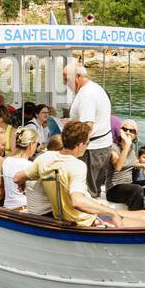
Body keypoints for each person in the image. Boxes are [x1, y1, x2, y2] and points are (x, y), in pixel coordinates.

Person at [14, 122, 145, 229]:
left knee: (144, 214)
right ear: (80, 144)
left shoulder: (45, 158)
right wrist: (112, 213)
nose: (87, 146)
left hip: (78, 213)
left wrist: (22, 181)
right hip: (85, 220)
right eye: (87, 143)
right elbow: (77, 201)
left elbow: (17, 177)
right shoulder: (77, 165)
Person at [63, 61, 113, 197]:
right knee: (92, 188)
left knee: (86, 191)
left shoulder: (86, 94)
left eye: (66, 79)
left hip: (92, 150)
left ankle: (89, 217)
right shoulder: (94, 88)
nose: (64, 83)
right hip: (101, 147)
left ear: (77, 77)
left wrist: (76, 152)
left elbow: (87, 127)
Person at [1, 127, 39, 211]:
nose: (36, 147)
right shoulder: (30, 165)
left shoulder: (6, 161)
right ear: (31, 144)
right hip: (23, 209)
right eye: (37, 144)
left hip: (7, 207)